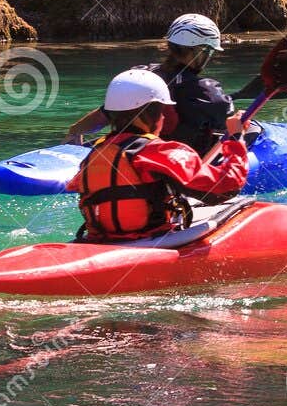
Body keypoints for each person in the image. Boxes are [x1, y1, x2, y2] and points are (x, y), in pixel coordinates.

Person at [72, 68, 249, 242]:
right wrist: (236, 138)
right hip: (153, 241)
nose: (164, 118)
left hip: (100, 242)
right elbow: (225, 188)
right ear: (149, 113)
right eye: (163, 112)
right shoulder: (159, 151)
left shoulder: (94, 154)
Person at [64, 13, 252, 155]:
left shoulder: (141, 76)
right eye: (209, 52)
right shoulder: (208, 91)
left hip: (127, 155)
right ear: (198, 51)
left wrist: (74, 132)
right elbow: (232, 129)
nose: (209, 57)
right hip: (178, 161)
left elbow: (105, 115)